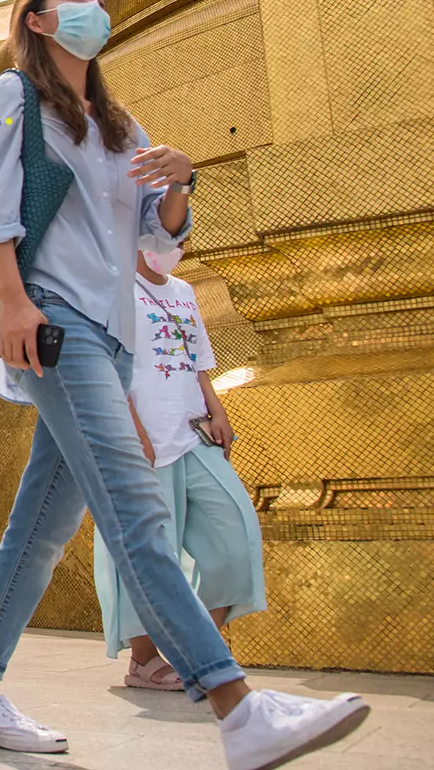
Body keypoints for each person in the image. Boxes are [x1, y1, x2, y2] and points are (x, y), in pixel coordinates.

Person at [0, 0, 367, 770]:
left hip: (115, 333)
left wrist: (179, 183)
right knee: (138, 511)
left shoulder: (119, 124)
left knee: (41, 526)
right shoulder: (15, 99)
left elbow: (159, 243)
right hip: (53, 322)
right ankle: (236, 707)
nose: (92, 9)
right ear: (35, 21)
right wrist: (16, 300)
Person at [97, 245, 265, 690]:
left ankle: (199, 650)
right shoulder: (110, 289)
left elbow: (199, 361)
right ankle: (144, 661)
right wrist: (133, 432)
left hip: (195, 434)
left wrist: (218, 410)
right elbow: (106, 366)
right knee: (148, 551)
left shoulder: (185, 290)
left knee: (236, 536)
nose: (174, 241)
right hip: (142, 442)